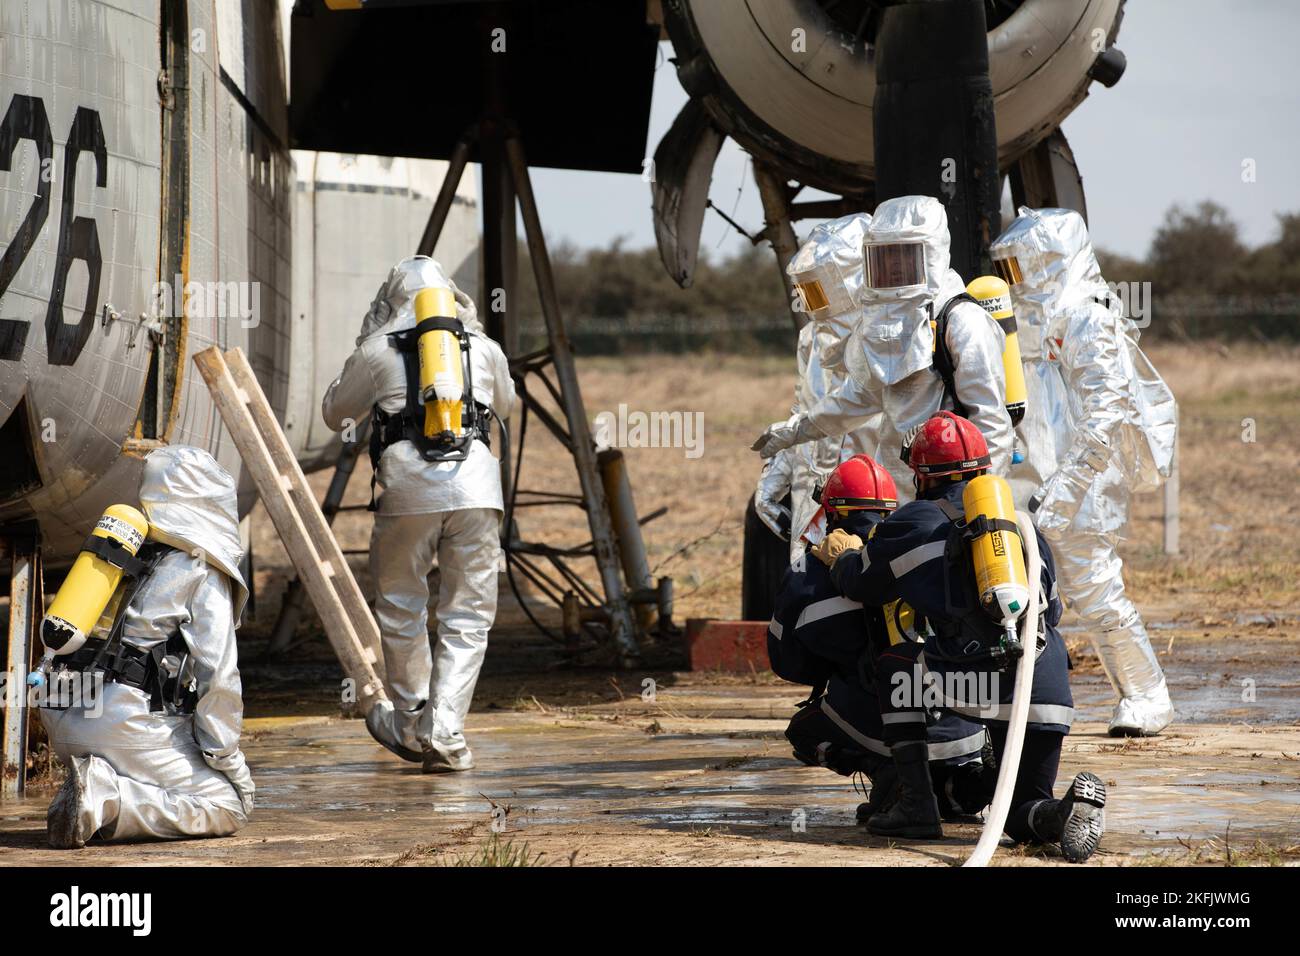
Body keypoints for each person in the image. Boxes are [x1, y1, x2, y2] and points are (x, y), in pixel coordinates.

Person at [818, 413, 1106, 862]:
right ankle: (1068, 811)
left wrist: (842, 558)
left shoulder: (914, 522)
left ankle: (916, 807)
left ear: (920, 475)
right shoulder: (1019, 526)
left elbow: (862, 584)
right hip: (1047, 686)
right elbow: (1054, 608)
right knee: (1018, 815)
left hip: (979, 682)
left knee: (898, 665)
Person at [322, 256, 516, 773]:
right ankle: (445, 727)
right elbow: (508, 407)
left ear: (392, 300)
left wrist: (365, 341)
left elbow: (335, 414)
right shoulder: (485, 348)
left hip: (407, 492)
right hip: (477, 490)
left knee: (402, 606)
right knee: (468, 616)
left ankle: (410, 721)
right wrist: (474, 337)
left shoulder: (377, 349)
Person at [991, 207, 1178, 736]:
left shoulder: (1088, 316)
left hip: (1083, 486)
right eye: (1008, 269)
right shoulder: (1033, 319)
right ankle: (1017, 702)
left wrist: (1067, 491)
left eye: (1022, 267)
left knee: (1095, 591)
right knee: (1017, 594)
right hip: (1035, 479)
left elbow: (1106, 413)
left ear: (1051, 261)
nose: (1015, 281)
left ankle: (1146, 696)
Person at [41, 446, 254, 848]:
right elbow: (219, 677)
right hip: (117, 722)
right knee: (227, 804)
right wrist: (228, 762)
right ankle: (109, 797)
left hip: (62, 710)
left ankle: (101, 782)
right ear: (210, 502)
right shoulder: (201, 568)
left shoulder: (121, 549)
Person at [769, 454, 994, 824]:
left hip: (888, 722)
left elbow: (788, 663)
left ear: (831, 513)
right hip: (965, 723)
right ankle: (961, 787)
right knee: (950, 783)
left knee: (803, 731)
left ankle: (885, 772)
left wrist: (841, 663)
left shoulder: (808, 569)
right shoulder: (934, 543)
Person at [753, 195, 1013, 498]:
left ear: (931, 254)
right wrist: (800, 428)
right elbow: (861, 396)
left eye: (905, 256)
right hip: (896, 494)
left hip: (951, 492)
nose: (893, 269)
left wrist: (980, 503)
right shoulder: (880, 322)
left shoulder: (961, 321)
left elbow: (991, 423)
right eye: (883, 257)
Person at [754, 213, 883, 561]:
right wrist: (773, 481)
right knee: (810, 607)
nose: (813, 302)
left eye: (819, 288)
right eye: (807, 290)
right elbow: (802, 415)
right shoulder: (811, 338)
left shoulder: (888, 341)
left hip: (875, 513)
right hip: (812, 512)